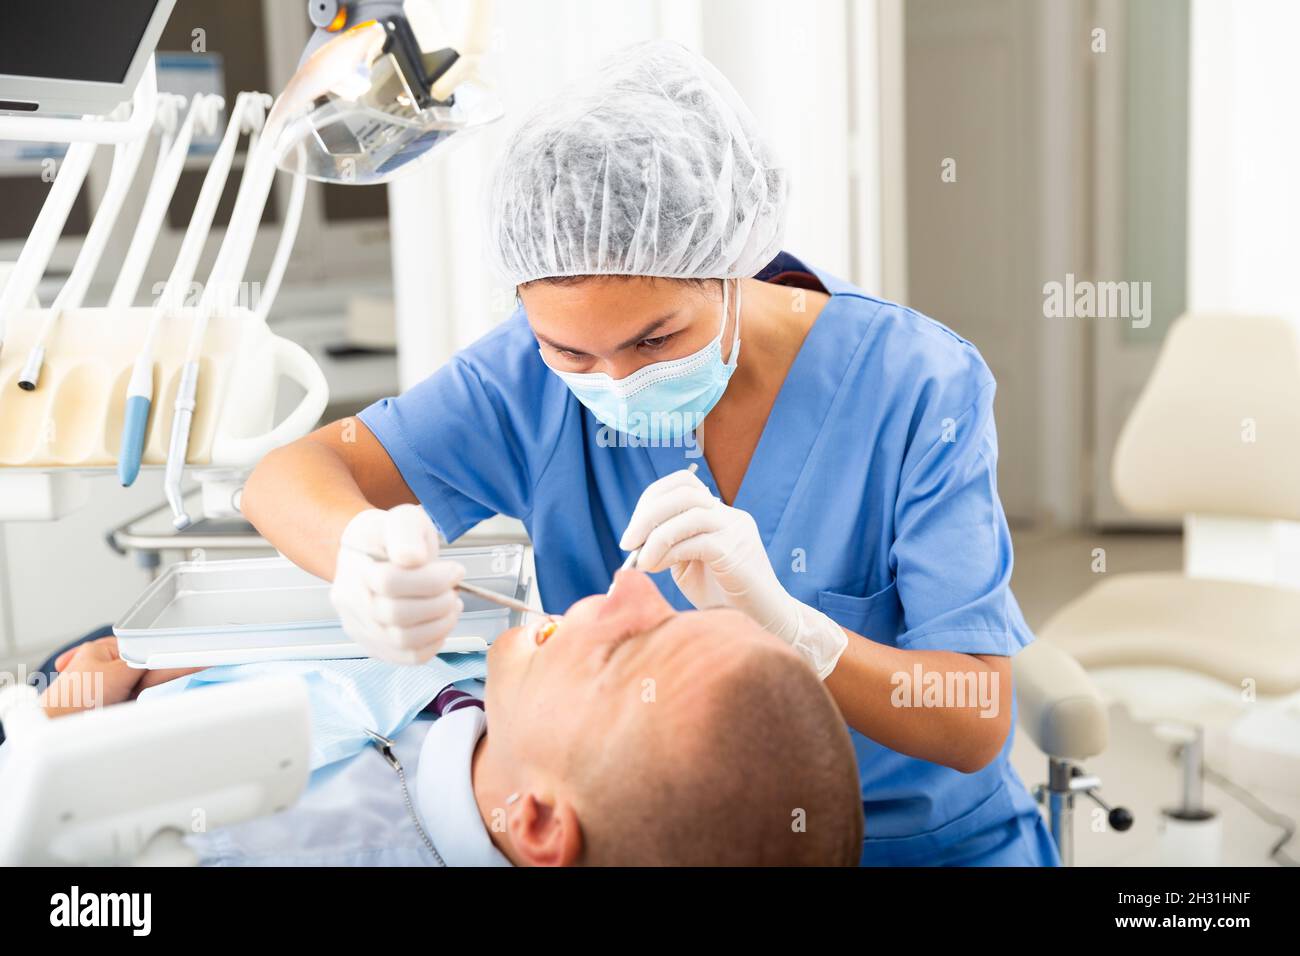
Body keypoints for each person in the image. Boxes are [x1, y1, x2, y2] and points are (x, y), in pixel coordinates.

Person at [243, 40, 1057, 865]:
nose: (616, 382)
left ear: (734, 266)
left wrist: (799, 633)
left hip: (925, 845)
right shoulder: (524, 378)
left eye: (656, 338)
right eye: (572, 355)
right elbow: (289, 477)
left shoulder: (912, 382)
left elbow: (973, 718)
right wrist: (358, 551)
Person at [13, 570, 864, 866]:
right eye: (675, 615)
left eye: (623, 653)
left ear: (535, 824)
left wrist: (69, 714)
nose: (634, 590)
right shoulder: (513, 700)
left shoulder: (263, 843)